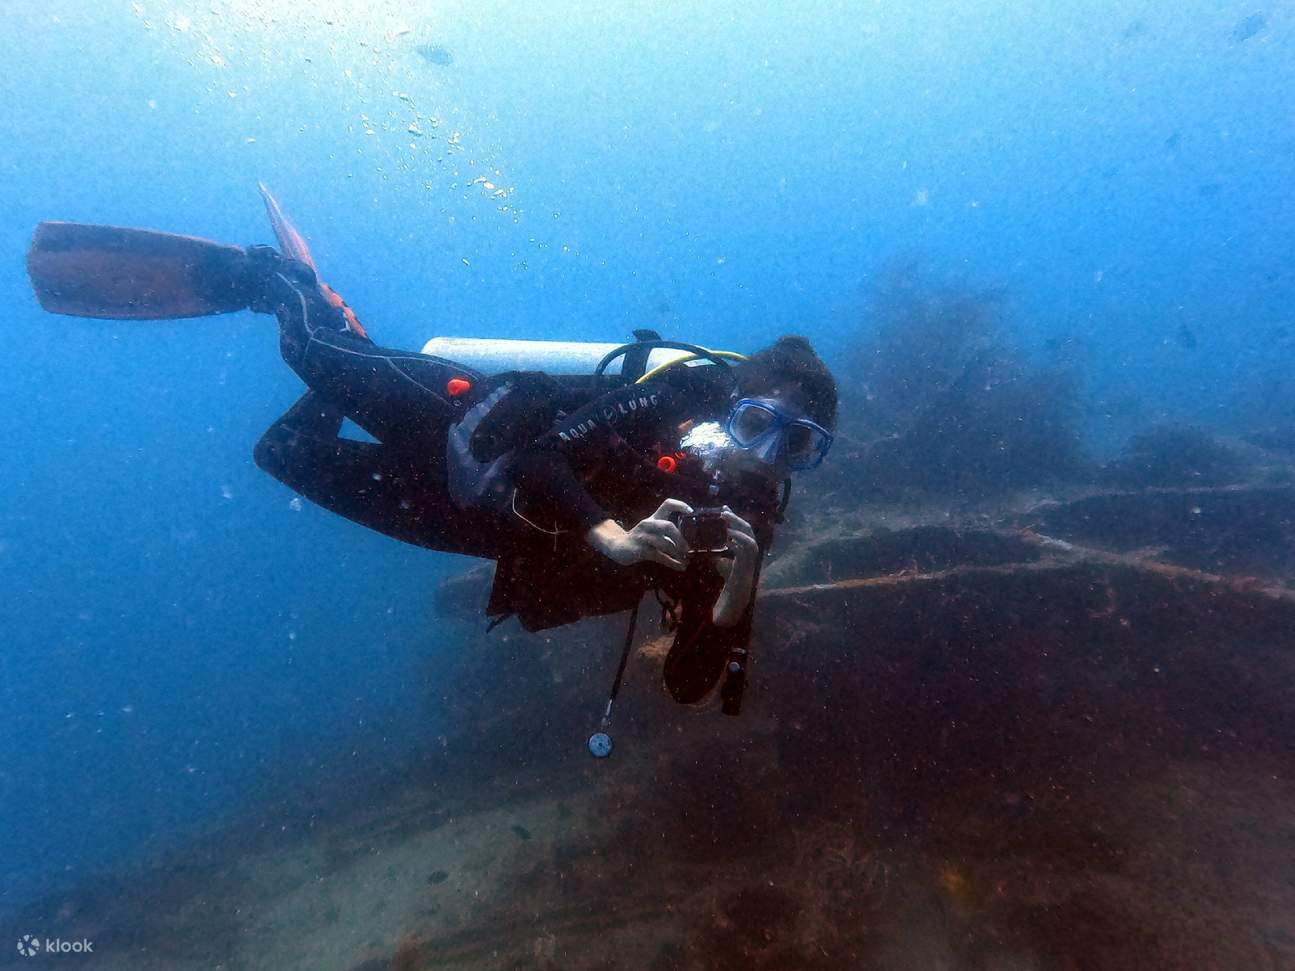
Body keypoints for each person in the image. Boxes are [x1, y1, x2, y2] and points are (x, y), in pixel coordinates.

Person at [243, 248, 838, 713]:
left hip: (469, 515)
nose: (764, 455)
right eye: (755, 422)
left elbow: (687, 688)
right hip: (471, 425)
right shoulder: (676, 398)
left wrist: (730, 607)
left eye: (794, 442)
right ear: (729, 404)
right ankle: (267, 276)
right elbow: (545, 456)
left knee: (281, 453)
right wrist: (613, 538)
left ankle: (354, 359)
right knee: (309, 349)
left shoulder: (744, 537)